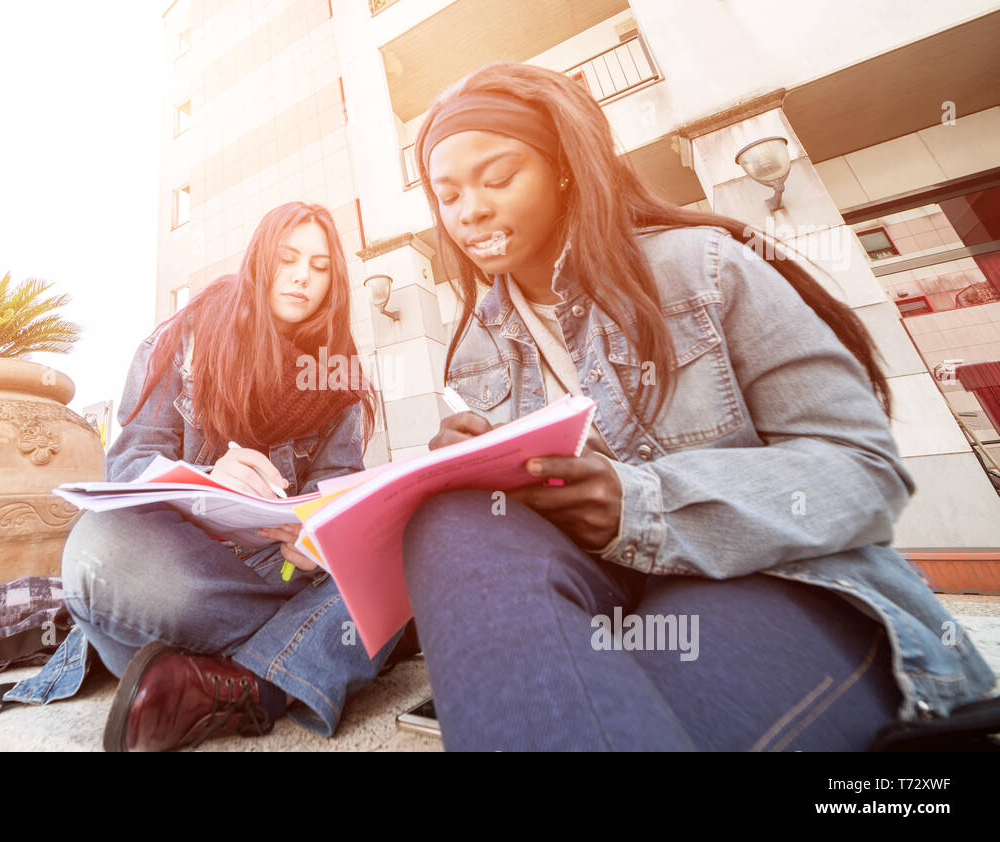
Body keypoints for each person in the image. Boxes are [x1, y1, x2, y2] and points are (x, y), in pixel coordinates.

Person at [398, 61, 997, 751]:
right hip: (616, 603)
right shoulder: (476, 348)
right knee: (448, 519)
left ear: (564, 168)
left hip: (779, 584)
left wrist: (640, 503)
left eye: (497, 177)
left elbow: (863, 473)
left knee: (624, 706)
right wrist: (479, 476)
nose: (469, 209)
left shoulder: (703, 268)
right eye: (447, 196)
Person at [61, 201, 403, 751]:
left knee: (390, 556)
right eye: (287, 259)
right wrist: (206, 478)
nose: (301, 277)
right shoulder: (180, 342)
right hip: (182, 576)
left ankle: (227, 686)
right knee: (96, 554)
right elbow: (127, 464)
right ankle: (294, 660)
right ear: (259, 261)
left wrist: (320, 533)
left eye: (320, 267)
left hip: (279, 578)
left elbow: (337, 486)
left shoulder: (338, 375)